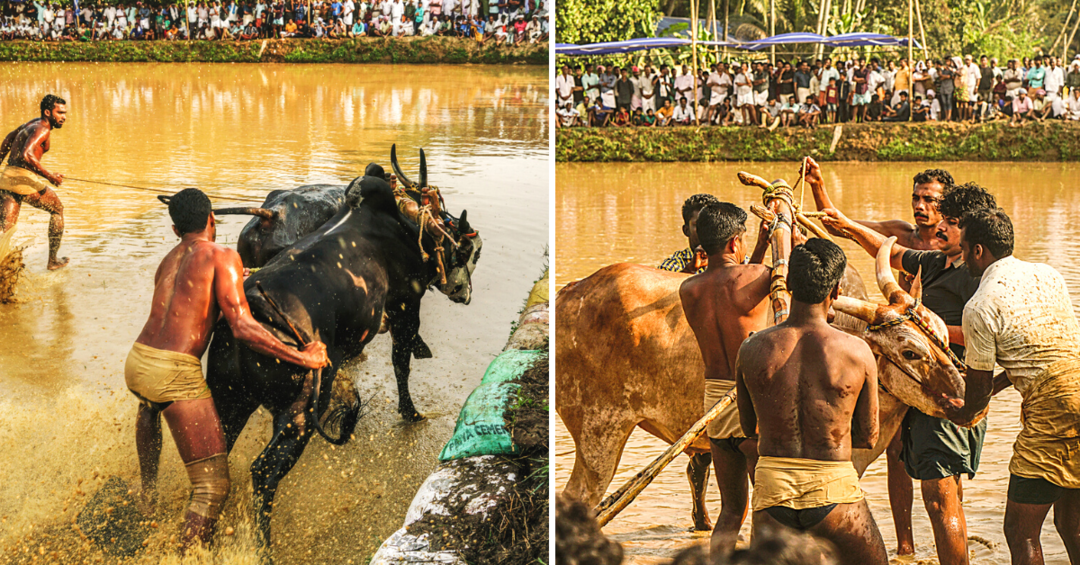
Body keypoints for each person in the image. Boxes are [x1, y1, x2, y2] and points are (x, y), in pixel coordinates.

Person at [128, 188, 328, 550]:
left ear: (175, 230)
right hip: (174, 372)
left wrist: (236, 275)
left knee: (149, 406)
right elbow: (243, 328)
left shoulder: (170, 258)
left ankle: (147, 492)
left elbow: (187, 304)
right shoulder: (223, 254)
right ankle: (185, 558)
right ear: (212, 219)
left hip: (139, 361)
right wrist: (304, 357)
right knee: (212, 488)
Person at [821, 183, 997, 565]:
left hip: (949, 390)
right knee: (941, 489)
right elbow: (892, 252)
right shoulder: (937, 262)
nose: (941, 228)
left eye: (952, 222)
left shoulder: (976, 275)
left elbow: (986, 333)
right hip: (922, 390)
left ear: (972, 230)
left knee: (938, 496)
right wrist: (847, 226)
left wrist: (931, 328)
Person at [939, 207, 1080, 565]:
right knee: (1073, 523)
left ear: (978, 251)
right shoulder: (1047, 274)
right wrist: (997, 387)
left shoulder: (979, 306)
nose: (961, 254)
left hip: (1052, 412)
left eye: (964, 246)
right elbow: (1043, 356)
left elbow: (976, 395)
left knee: (1021, 532)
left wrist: (961, 411)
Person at [735, 239, 887, 565]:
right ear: (835, 290)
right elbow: (869, 436)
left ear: (788, 284)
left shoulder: (751, 349)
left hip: (772, 489)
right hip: (834, 489)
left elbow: (748, 428)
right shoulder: (857, 352)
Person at [679, 202, 773, 559]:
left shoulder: (689, 289)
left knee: (732, 510)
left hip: (714, 406)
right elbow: (757, 280)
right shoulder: (759, 277)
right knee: (766, 508)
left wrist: (759, 248)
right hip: (750, 403)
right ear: (736, 242)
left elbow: (732, 286)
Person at [0, 94, 69, 270]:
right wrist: (49, 176)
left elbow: (8, 139)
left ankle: (3, 270)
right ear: (48, 112)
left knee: (5, 232)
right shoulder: (43, 129)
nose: (64, 117)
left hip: (7, 178)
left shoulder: (32, 124)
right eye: (60, 112)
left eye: (65, 113)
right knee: (57, 209)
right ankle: (53, 260)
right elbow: (27, 154)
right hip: (22, 180)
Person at [658, 194, 720, 274]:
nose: (706, 229)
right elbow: (661, 283)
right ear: (686, 230)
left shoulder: (732, 259)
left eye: (711, 223)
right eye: (698, 224)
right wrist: (690, 269)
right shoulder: (674, 264)